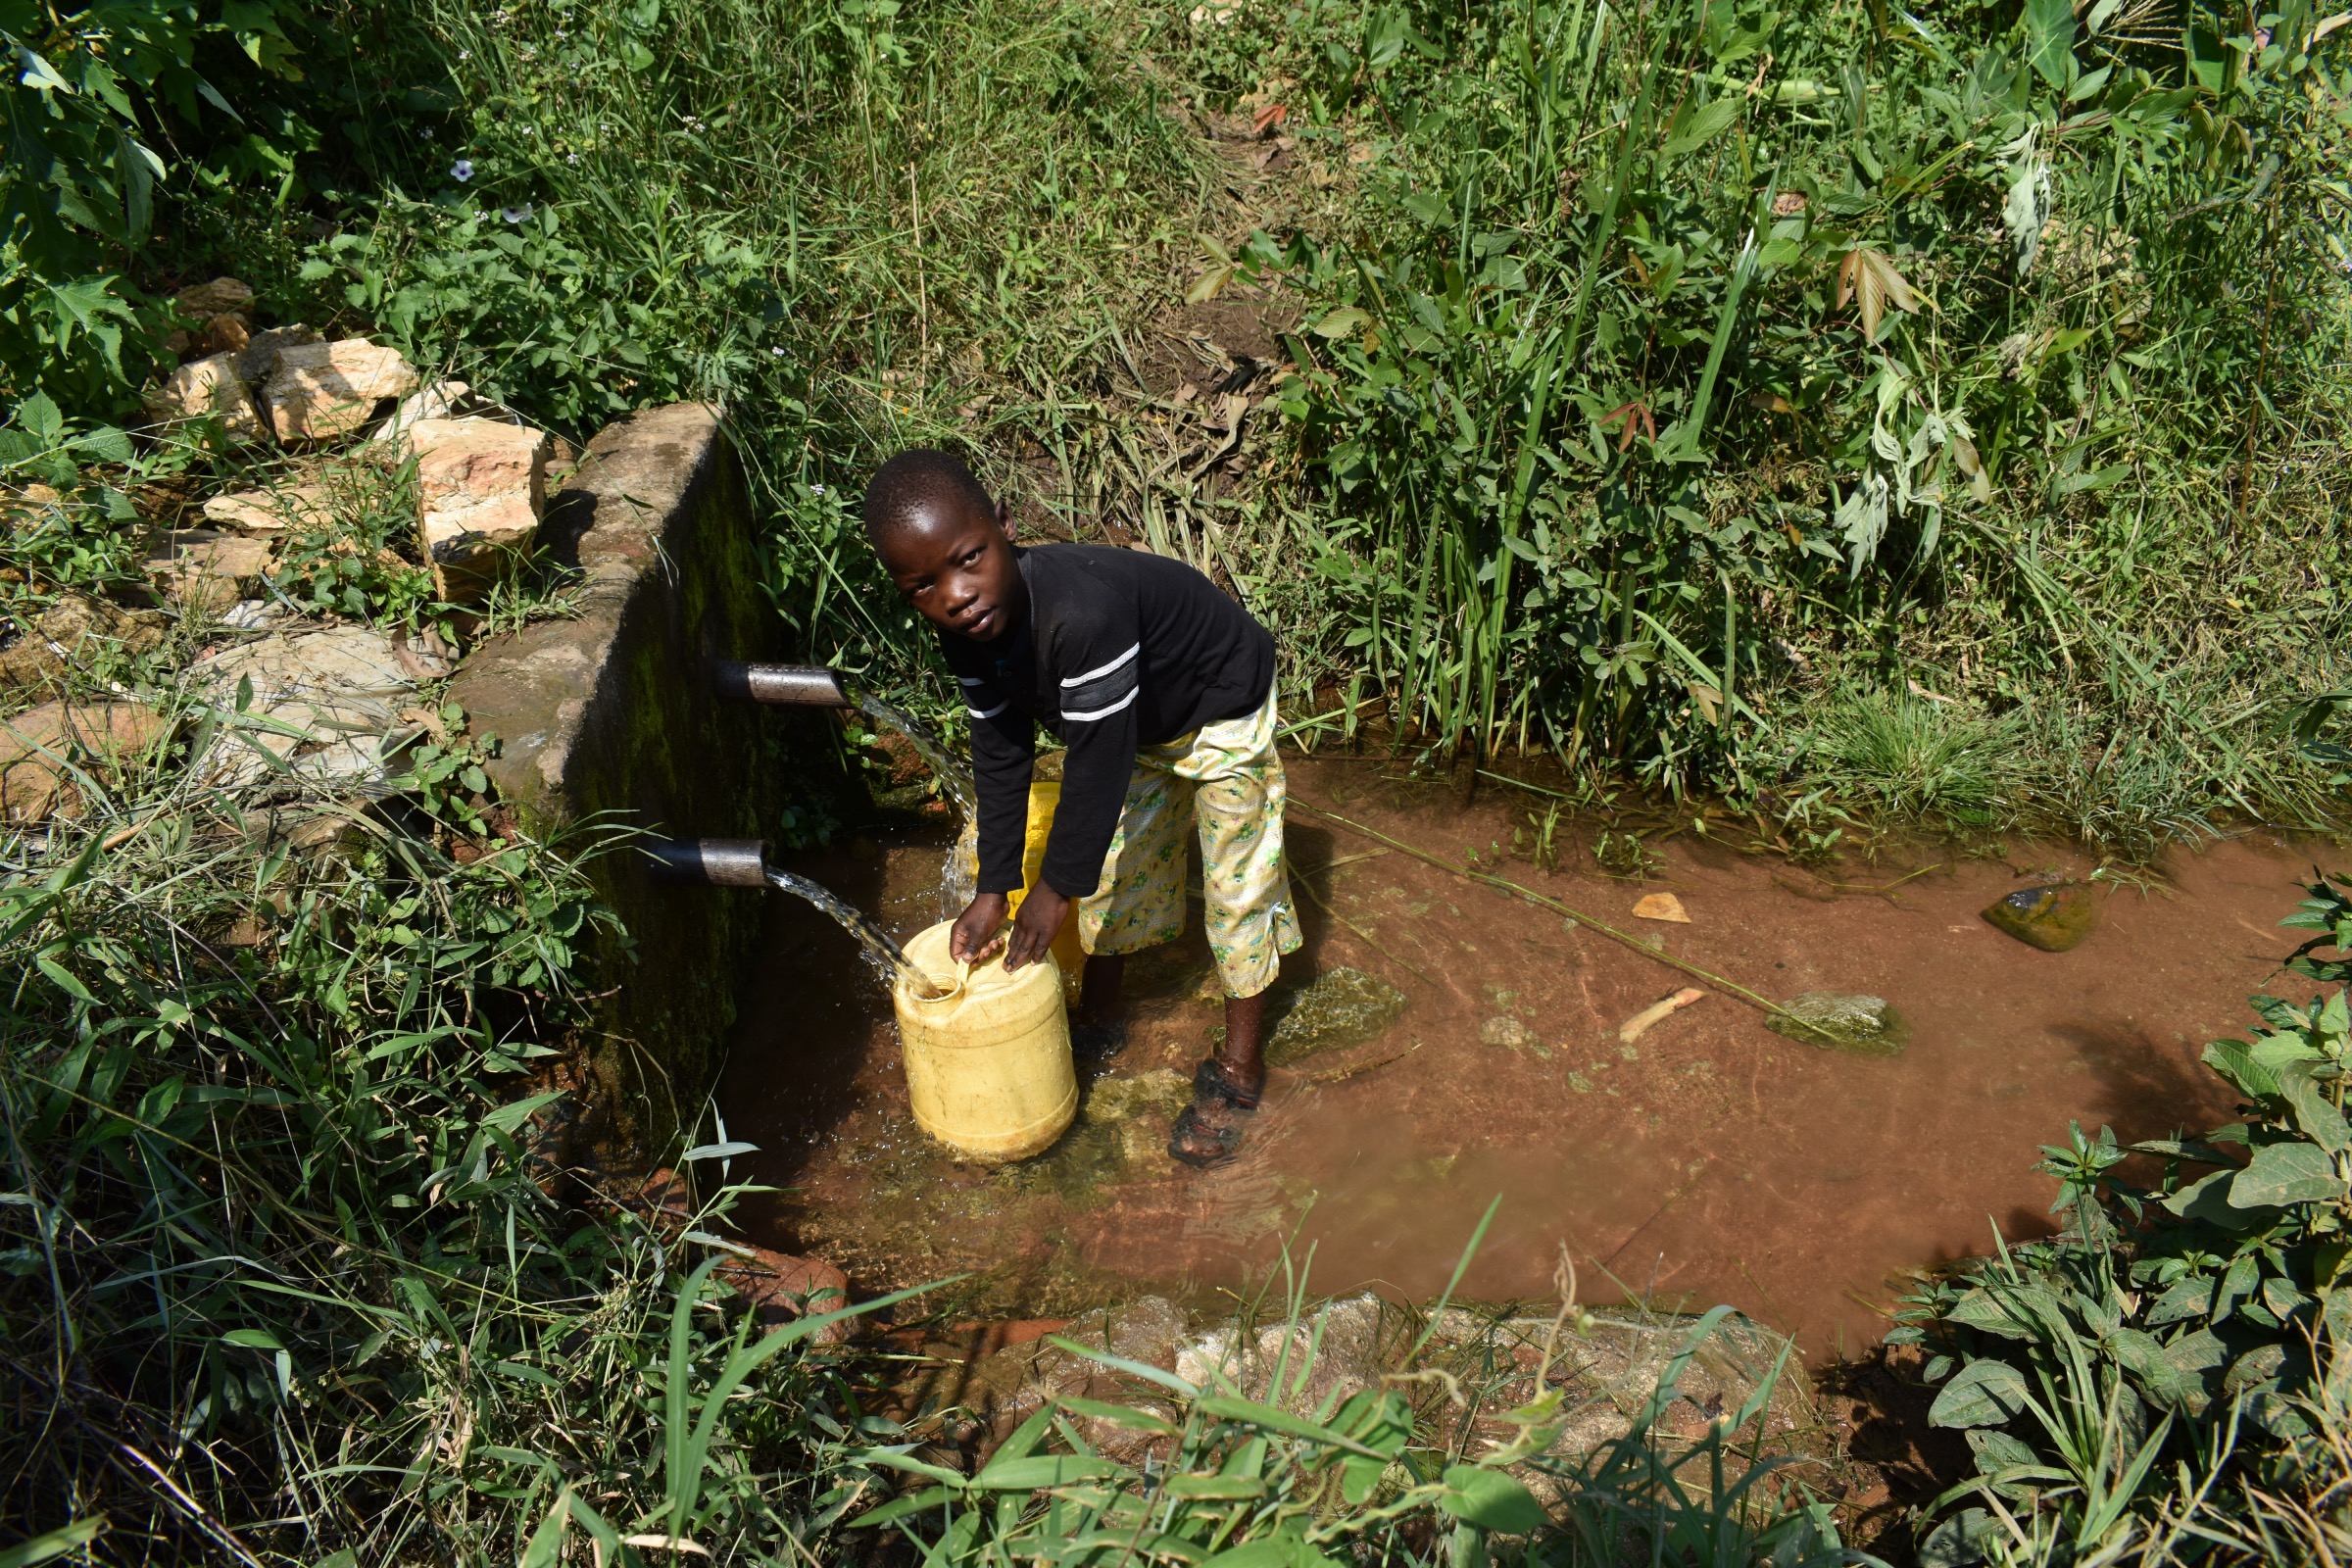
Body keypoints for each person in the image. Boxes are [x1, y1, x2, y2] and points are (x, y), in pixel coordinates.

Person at [862, 449, 1300, 1166]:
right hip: (1139, 726)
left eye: (969, 558)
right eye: (924, 586)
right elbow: (1002, 749)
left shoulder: (1078, 613)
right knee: (1117, 872)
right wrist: (995, 887)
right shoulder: (968, 632)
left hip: (1220, 706)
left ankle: (1241, 1072)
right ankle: (1101, 1020)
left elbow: (1096, 767)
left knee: (1236, 893)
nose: (957, 594)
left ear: (1005, 524)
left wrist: (1053, 892)